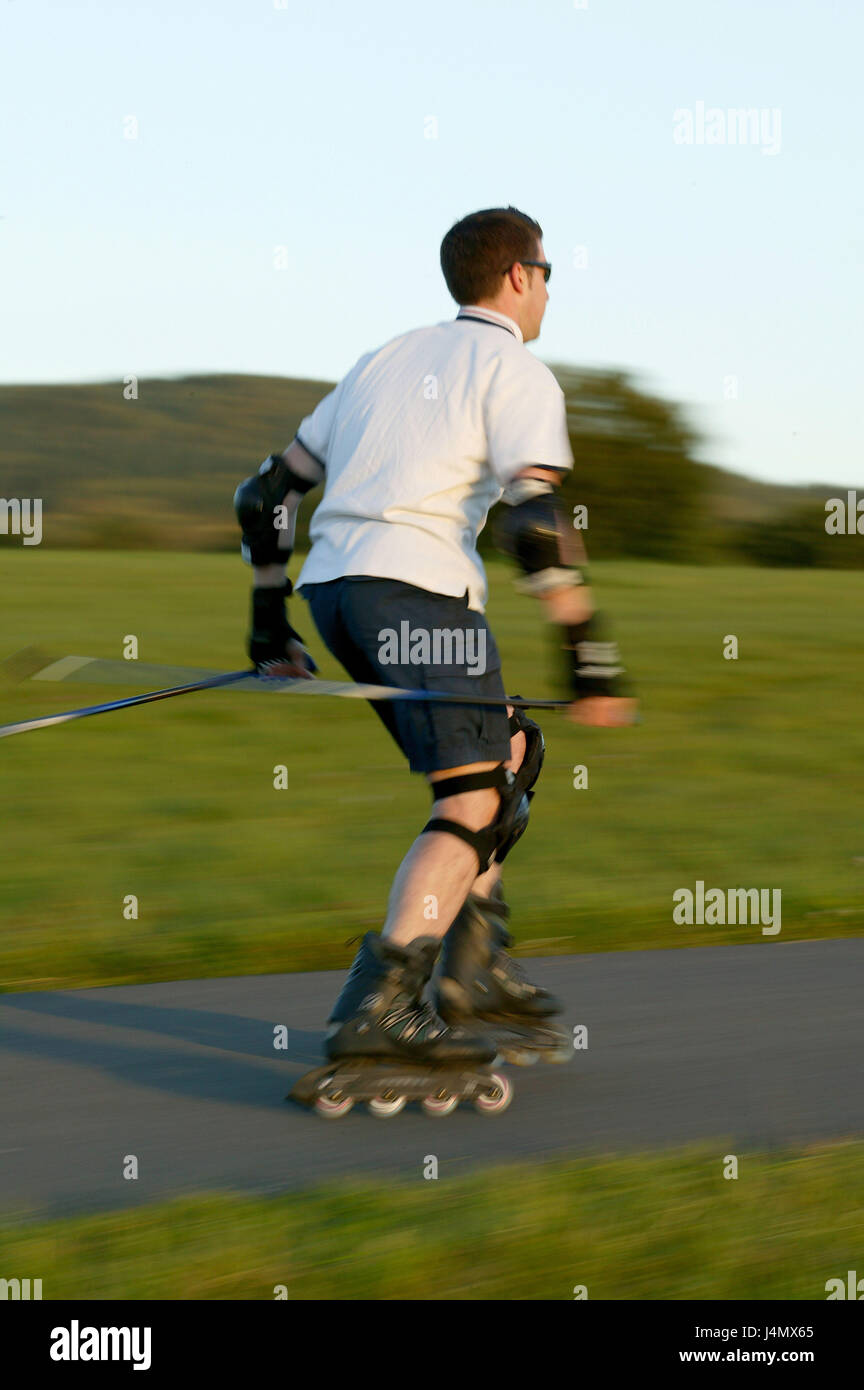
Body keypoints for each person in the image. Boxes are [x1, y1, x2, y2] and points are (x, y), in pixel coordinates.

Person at [235, 206, 636, 1097]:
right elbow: (535, 523)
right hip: (420, 595)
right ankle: (387, 1001)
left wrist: (270, 623)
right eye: (548, 274)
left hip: (339, 594)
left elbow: (266, 494)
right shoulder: (515, 370)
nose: (547, 292)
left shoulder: (386, 358)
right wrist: (590, 659)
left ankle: (474, 963)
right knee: (468, 803)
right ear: (521, 276)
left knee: (515, 751)